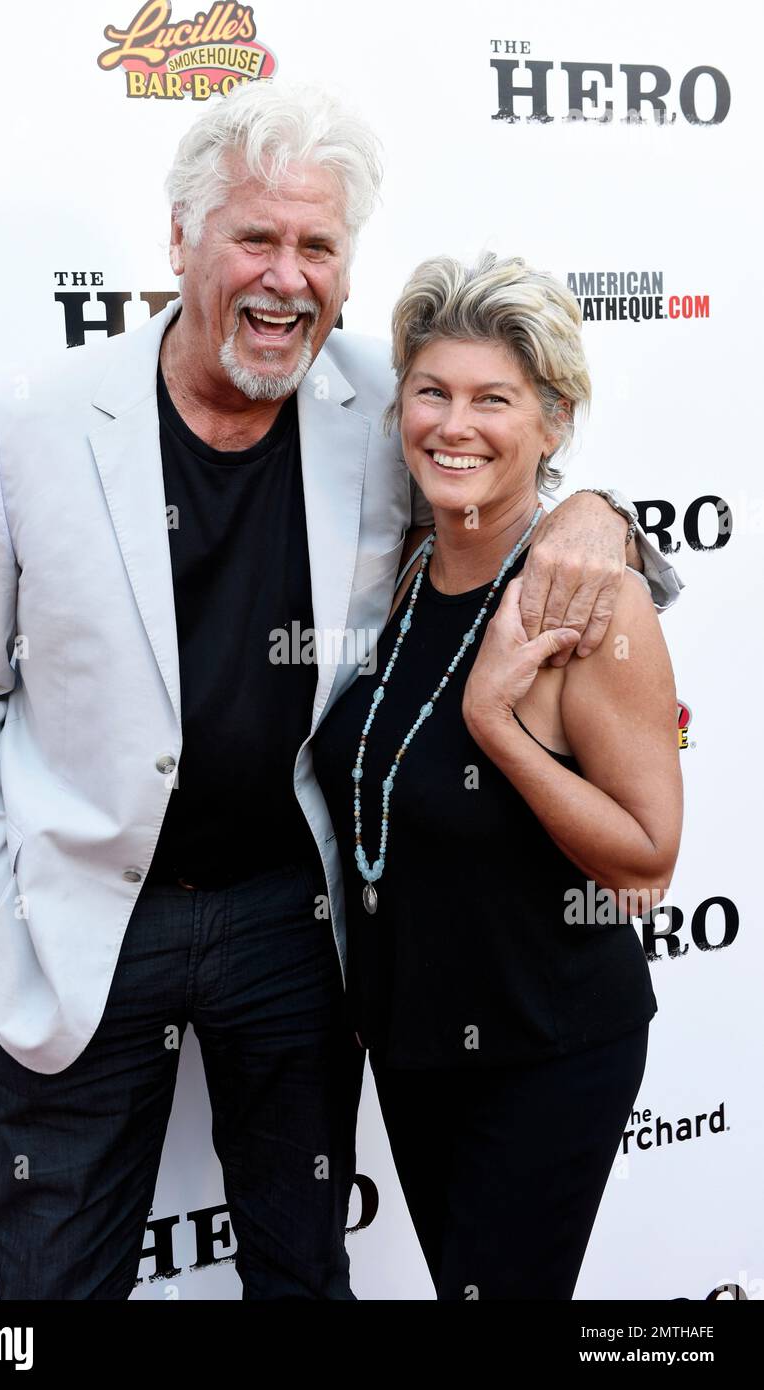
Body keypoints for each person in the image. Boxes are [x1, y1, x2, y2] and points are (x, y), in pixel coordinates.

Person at [0, 82, 681, 1300]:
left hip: (293, 924)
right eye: (254, 236)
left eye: (317, 245)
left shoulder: (378, 396)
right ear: (178, 239)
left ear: (346, 268)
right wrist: (4, 904)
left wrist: (599, 510)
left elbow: (506, 459)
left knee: (304, 1271)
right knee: (53, 1279)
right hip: (91, 915)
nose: (285, 277)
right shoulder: (25, 423)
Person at [312, 251, 683, 1300]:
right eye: (431, 391)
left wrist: (498, 729)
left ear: (553, 423)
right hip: (413, 1041)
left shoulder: (591, 605)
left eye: (493, 400)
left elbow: (649, 859)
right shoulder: (397, 570)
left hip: (545, 1049)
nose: (453, 424)